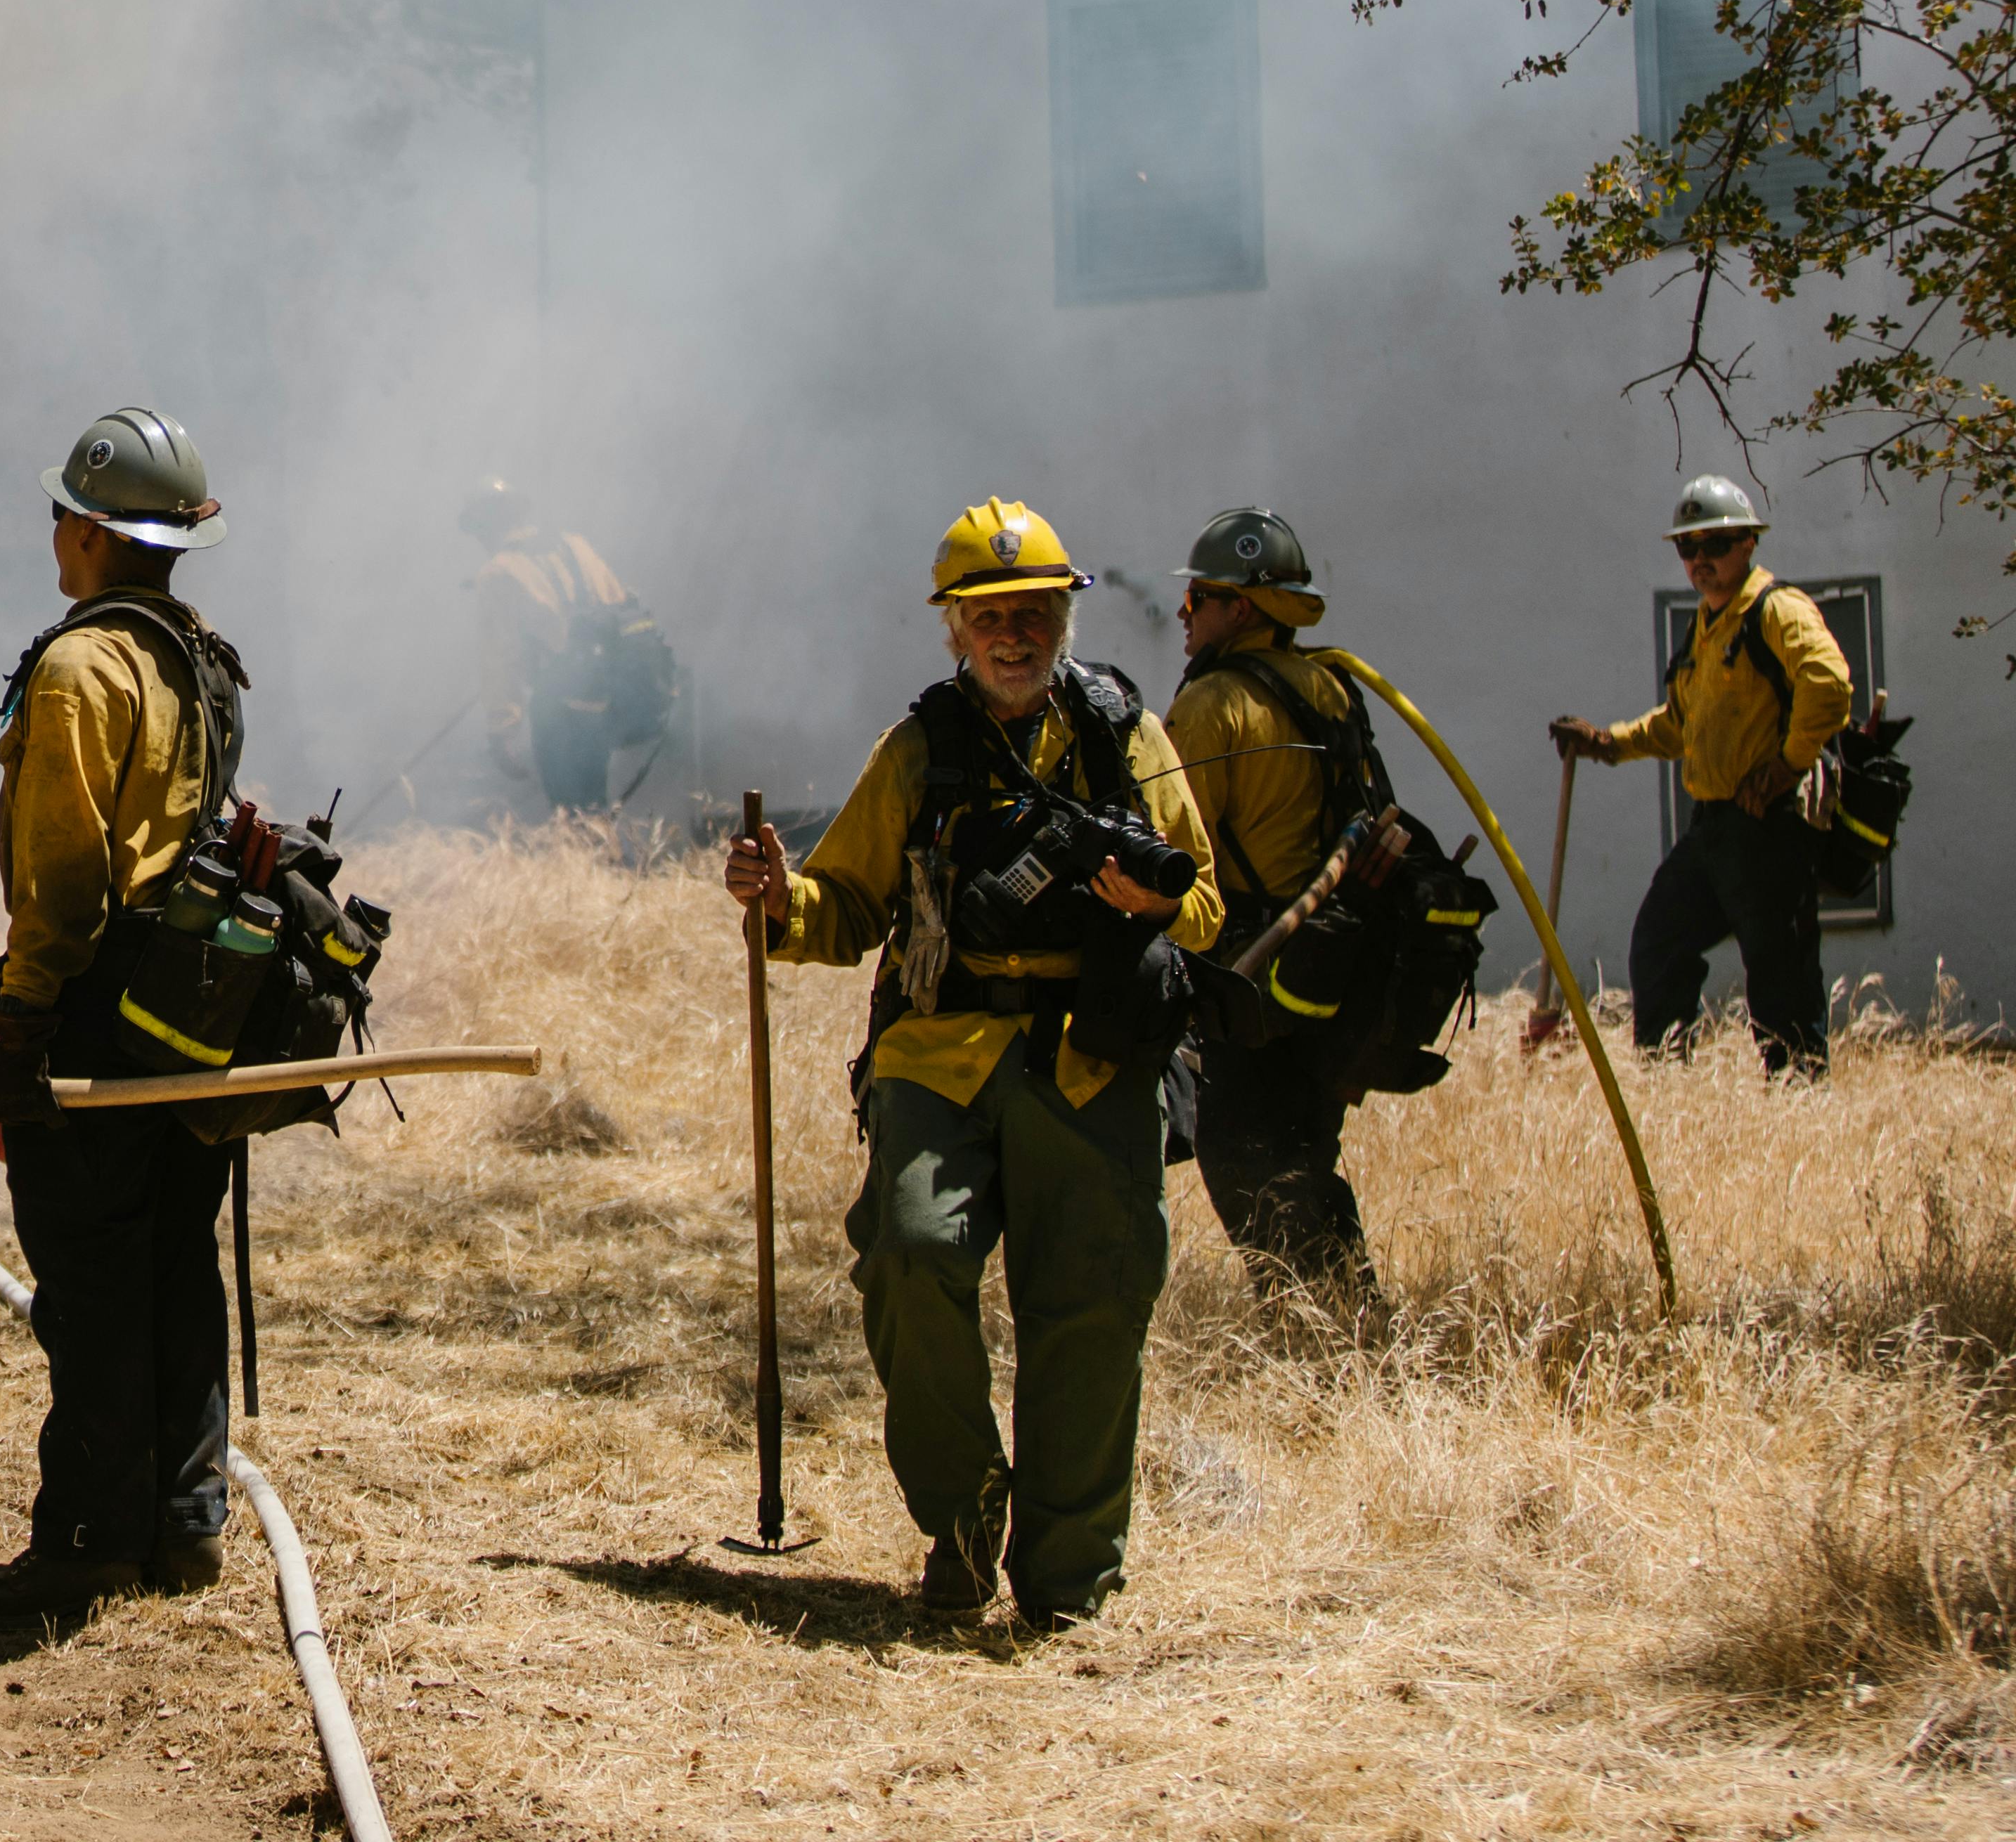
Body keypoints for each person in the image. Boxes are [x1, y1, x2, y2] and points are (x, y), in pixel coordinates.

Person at [722, 498, 1221, 1627]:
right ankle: (961, 1514)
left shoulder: (1126, 740)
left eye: (1034, 609)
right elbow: (840, 905)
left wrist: (1159, 896)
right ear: (953, 628)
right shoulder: (918, 751)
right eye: (988, 613)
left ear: (1063, 619)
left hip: (1095, 1061)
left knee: (1092, 1306)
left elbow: (1206, 903)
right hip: (937, 1056)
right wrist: (775, 897)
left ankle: (1068, 1583)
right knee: (908, 1252)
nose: (1013, 632)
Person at [0, 405, 245, 1622]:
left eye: (61, 513)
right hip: (184, 1019)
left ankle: (84, 1539)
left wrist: (21, 1023)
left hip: (94, 1019)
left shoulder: (81, 664)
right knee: (178, 1263)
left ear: (86, 530)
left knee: (89, 1280)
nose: (53, 532)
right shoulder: (197, 656)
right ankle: (183, 1528)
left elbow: (70, 873)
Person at [1551, 476, 1854, 1077]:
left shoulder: (1776, 610)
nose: (1698, 562)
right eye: (1687, 549)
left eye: (1713, 546)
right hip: (1714, 831)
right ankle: (1667, 1087)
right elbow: (1682, 724)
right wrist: (1607, 743)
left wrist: (1787, 765)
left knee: (1779, 976)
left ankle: (1799, 1103)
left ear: (1747, 544)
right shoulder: (1708, 625)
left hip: (1769, 831)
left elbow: (1830, 683)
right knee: (1659, 942)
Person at [1161, 506, 1382, 1295]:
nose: (1183, 616)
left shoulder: (1211, 704)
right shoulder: (1330, 687)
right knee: (1306, 1146)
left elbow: (1174, 849)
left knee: (1244, 1151)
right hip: (1329, 960)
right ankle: (1349, 1313)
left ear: (1241, 607)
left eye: (1198, 599)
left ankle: (1316, 1320)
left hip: (1248, 969)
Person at [457, 479, 658, 812]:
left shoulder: (496, 573)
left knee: (573, 809)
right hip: (617, 695)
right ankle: (603, 855)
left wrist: (502, 728)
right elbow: (620, 606)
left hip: (564, 705)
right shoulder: (575, 546)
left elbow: (499, 659)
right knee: (597, 803)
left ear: (483, 527)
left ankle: (590, 859)